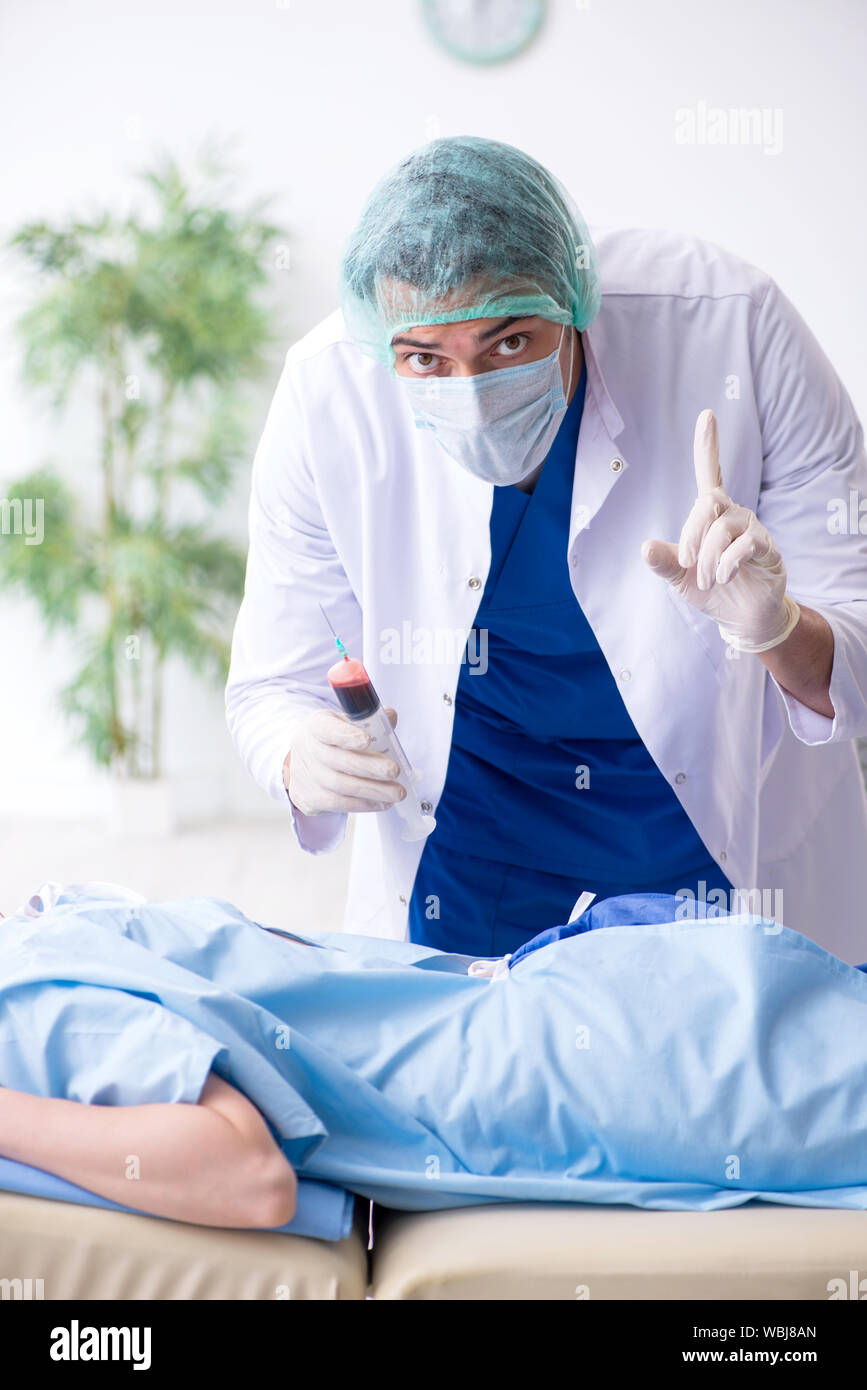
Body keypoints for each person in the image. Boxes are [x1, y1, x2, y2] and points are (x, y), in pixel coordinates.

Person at [226, 136, 867, 961]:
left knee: (715, 1074)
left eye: (509, 343)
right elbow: (272, 685)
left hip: (708, 869)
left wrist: (778, 632)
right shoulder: (328, 393)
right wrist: (296, 755)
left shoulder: (732, 325)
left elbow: (855, 642)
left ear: (573, 300)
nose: (473, 395)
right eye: (425, 358)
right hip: (471, 866)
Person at [2, 881, 867, 1221]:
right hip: (578, 1048)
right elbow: (248, 1177)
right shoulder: (29, 999)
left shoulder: (33, 959)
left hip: (577, 1007)